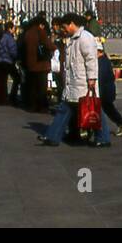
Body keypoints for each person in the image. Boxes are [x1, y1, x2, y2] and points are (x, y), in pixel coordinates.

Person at [39, 14, 108, 147]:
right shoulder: (73, 38)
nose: (64, 30)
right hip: (74, 83)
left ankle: (103, 137)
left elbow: (91, 60)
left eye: (65, 27)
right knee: (66, 108)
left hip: (83, 82)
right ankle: (54, 136)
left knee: (93, 108)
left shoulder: (85, 38)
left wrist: (92, 78)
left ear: (72, 24)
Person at [22, 16, 55, 113]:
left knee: (33, 87)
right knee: (41, 88)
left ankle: (32, 106)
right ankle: (42, 106)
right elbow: (48, 44)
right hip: (41, 64)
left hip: (30, 64)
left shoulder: (27, 33)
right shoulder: (40, 32)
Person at [96, 43, 122, 136]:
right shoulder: (104, 60)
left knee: (104, 109)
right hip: (107, 90)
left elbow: (100, 77)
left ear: (99, 51)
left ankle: (121, 125)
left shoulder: (101, 62)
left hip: (104, 91)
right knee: (108, 109)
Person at [0, 22, 18, 106]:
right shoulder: (9, 38)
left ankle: (1, 99)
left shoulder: (2, 37)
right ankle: (12, 97)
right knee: (17, 78)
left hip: (0, 60)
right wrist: (16, 57)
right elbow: (13, 51)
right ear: (10, 29)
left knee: (2, 81)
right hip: (8, 61)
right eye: (13, 28)